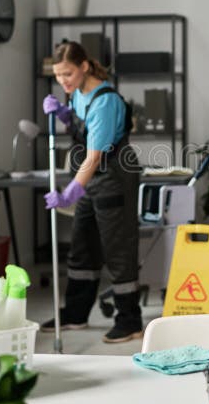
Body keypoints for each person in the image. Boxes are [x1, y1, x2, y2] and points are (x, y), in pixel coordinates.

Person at [41, 41, 143, 343]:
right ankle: (75, 312)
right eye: (58, 76)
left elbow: (94, 155)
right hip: (93, 180)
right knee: (82, 244)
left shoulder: (105, 101)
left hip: (113, 178)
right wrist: (62, 113)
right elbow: (79, 127)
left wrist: (72, 191)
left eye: (68, 73)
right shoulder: (79, 95)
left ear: (84, 66)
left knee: (117, 248)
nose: (63, 81)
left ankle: (130, 320)